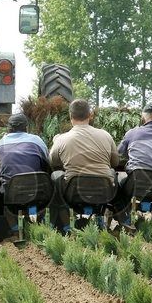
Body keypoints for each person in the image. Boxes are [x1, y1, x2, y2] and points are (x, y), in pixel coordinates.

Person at [48, 99, 119, 233]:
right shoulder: (106, 135)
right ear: (90, 115)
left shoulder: (62, 139)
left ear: (70, 116)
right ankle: (109, 219)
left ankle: (62, 225)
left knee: (55, 177)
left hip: (74, 193)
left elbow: (53, 162)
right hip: (104, 191)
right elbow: (115, 163)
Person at [0, 112, 50, 193]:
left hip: (9, 191)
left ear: (9, 128)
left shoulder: (0, 144)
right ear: (26, 127)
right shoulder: (37, 140)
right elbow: (47, 162)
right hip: (36, 189)